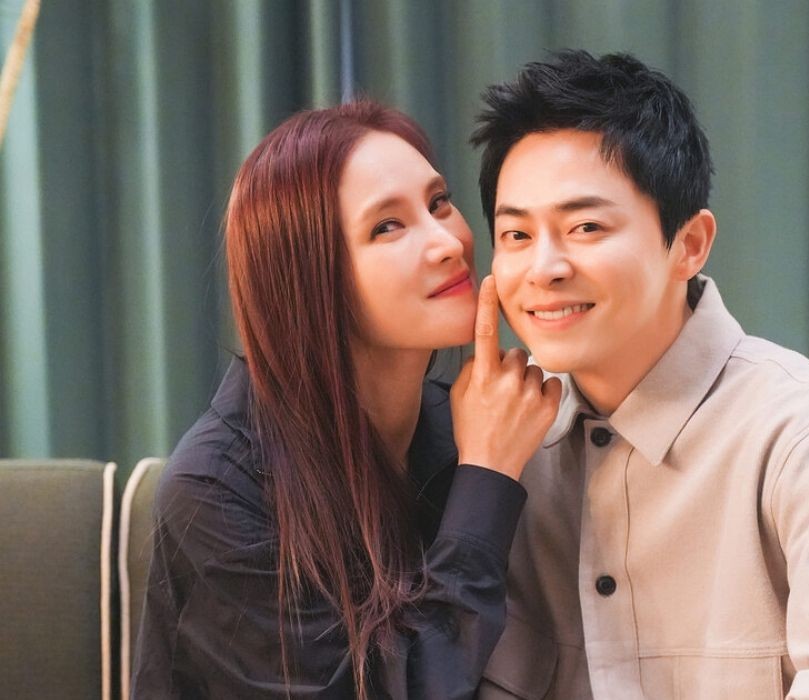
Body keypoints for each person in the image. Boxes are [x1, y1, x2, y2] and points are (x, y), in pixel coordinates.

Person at [472, 50, 809, 698]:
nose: (544, 268)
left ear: (689, 245)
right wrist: (483, 478)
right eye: (517, 236)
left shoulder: (802, 434)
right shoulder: (500, 443)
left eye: (585, 226)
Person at [131, 100, 560, 699]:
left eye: (439, 203)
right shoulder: (217, 488)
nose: (447, 242)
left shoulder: (462, 424)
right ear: (310, 278)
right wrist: (487, 474)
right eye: (387, 227)